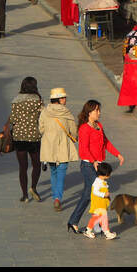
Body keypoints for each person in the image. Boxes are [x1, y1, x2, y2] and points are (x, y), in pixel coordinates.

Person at [67, 99, 123, 235]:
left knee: (88, 195)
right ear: (89, 112)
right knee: (97, 194)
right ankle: (98, 227)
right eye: (96, 110)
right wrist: (93, 162)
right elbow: (83, 150)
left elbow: (106, 142)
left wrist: (118, 154)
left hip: (97, 164)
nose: (99, 112)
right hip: (88, 165)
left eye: (99, 110)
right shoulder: (84, 128)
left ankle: (76, 222)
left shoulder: (98, 126)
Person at [38, 88, 78, 211]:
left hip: (49, 146)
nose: (65, 100)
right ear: (60, 99)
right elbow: (73, 131)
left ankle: (55, 196)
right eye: (64, 97)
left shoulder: (45, 112)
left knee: (53, 172)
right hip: (63, 147)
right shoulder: (66, 113)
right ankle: (57, 198)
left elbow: (41, 129)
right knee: (61, 174)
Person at [9, 77, 44, 203]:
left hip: (19, 137)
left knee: (22, 167)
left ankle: (24, 196)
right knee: (36, 164)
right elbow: (43, 117)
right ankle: (33, 187)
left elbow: (12, 119)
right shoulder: (38, 101)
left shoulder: (16, 101)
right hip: (34, 137)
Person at [84, 163, 117, 240]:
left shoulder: (101, 181)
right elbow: (95, 192)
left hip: (101, 204)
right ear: (105, 174)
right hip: (98, 204)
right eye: (109, 174)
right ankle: (106, 233)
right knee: (102, 218)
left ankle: (89, 230)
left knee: (97, 218)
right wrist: (104, 195)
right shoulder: (97, 182)